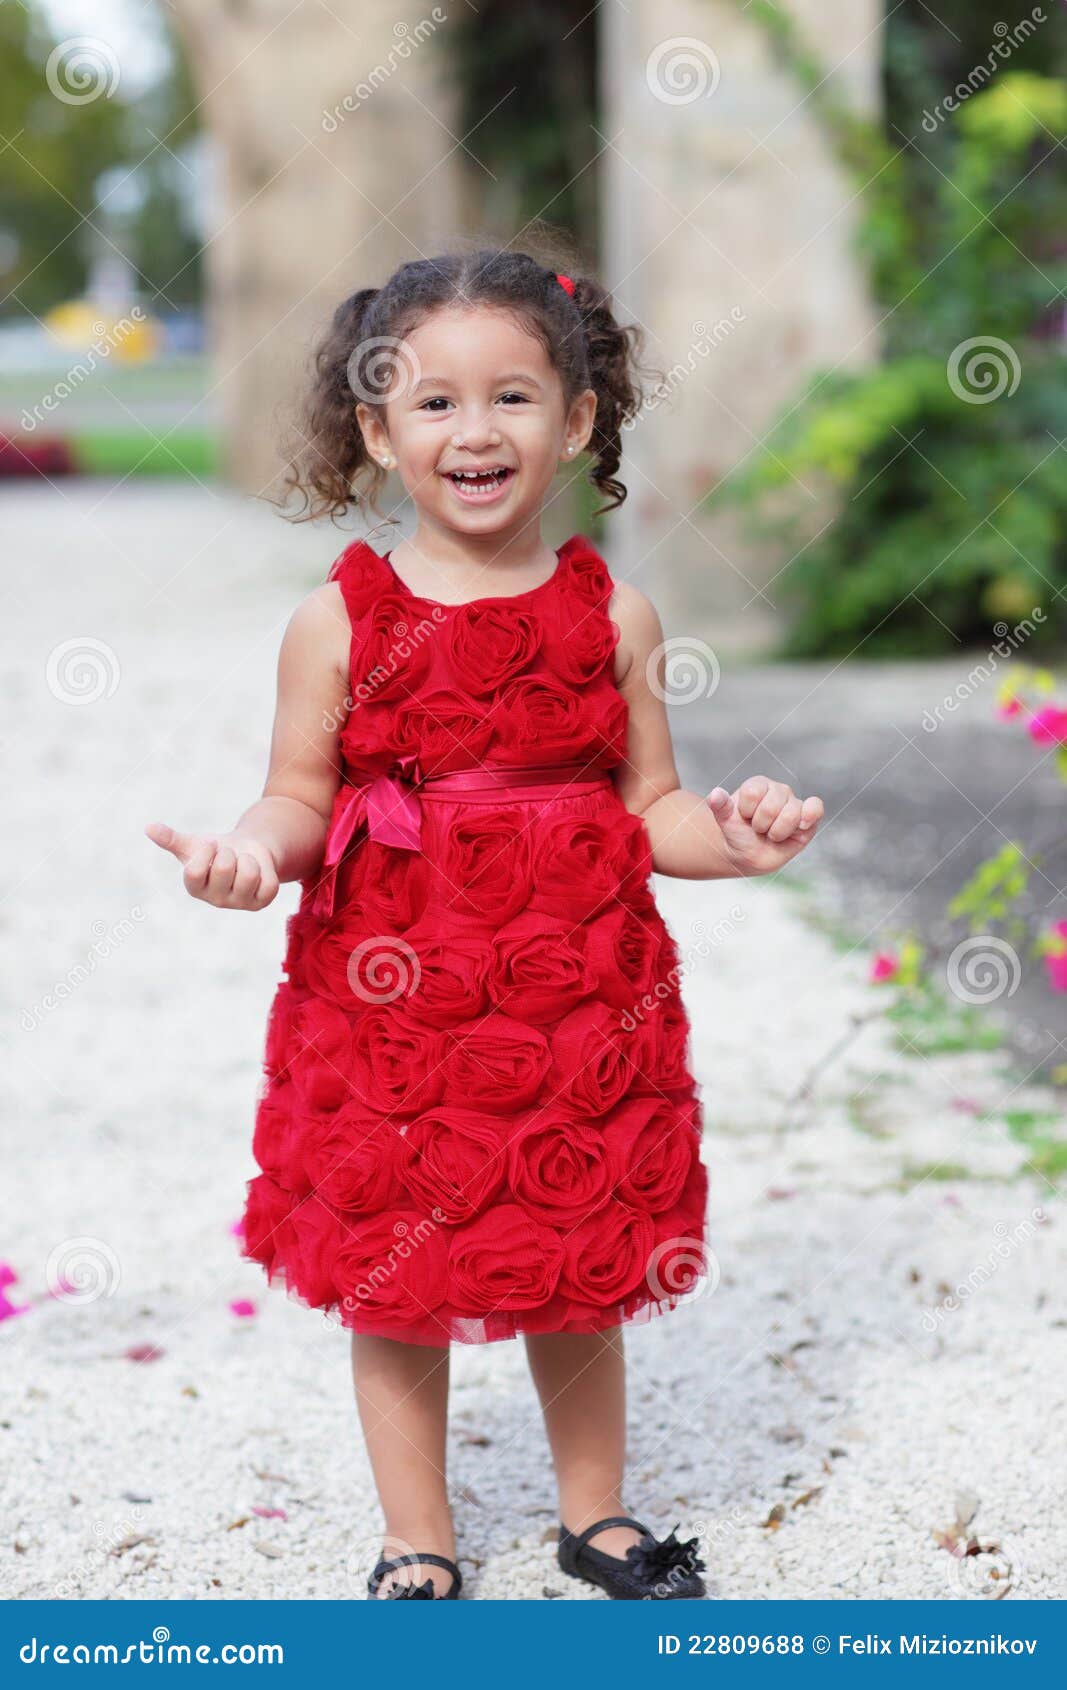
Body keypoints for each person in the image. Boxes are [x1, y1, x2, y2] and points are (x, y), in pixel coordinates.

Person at [146, 248, 823, 1602]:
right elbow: (296, 795)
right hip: (391, 994)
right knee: (399, 1265)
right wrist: (246, 857)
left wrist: (734, 842)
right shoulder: (337, 618)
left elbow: (656, 808)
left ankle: (596, 1515)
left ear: (575, 421)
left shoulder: (612, 612)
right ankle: (419, 1534)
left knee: (570, 1249)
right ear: (377, 430)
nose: (476, 431)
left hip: (577, 994)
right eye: (434, 403)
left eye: (513, 396)